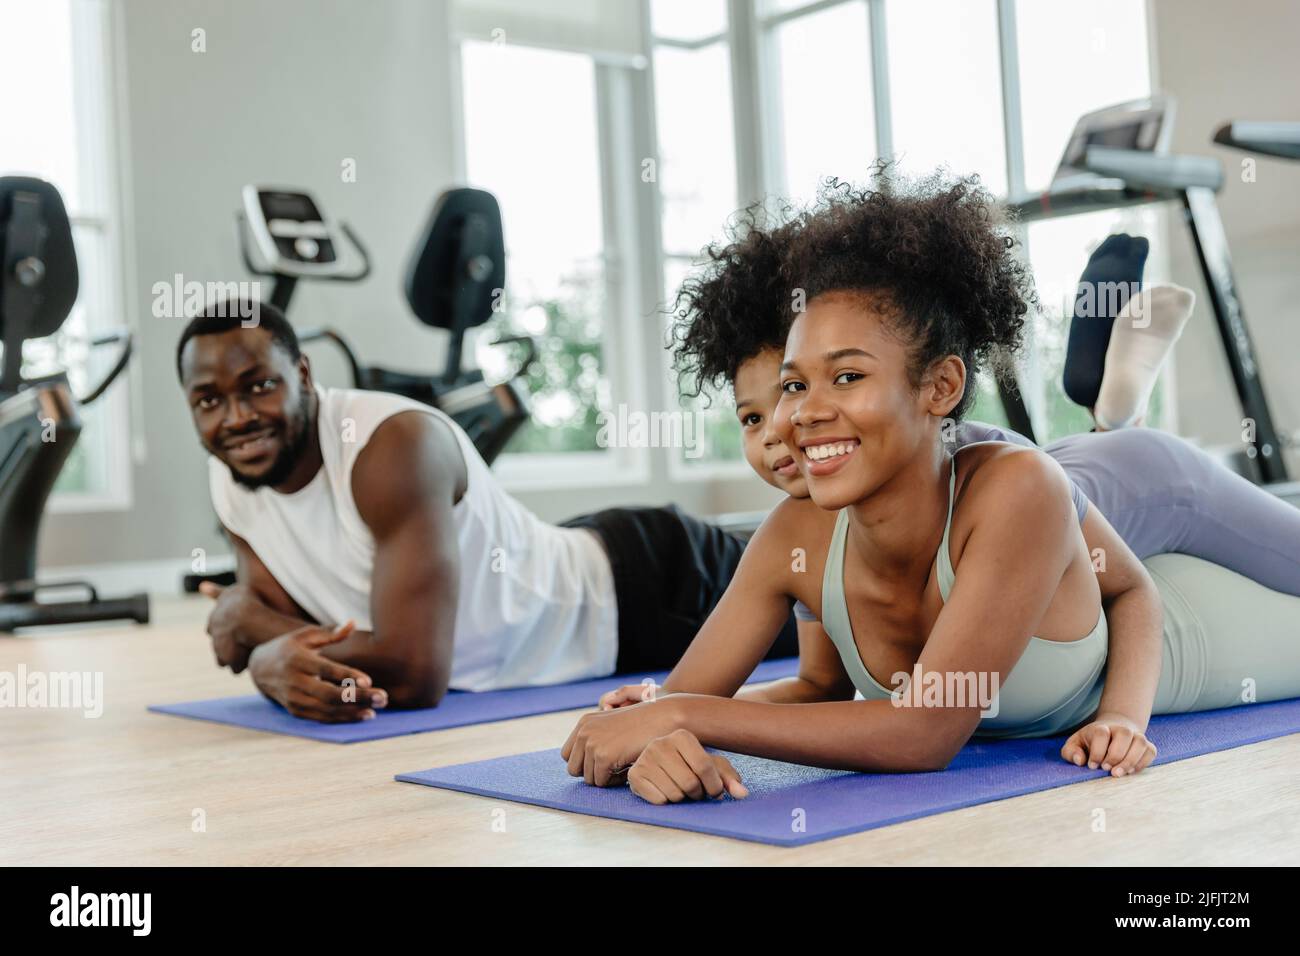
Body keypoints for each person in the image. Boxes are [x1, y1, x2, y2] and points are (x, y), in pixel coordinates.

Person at [562, 172, 1300, 803]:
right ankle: (1113, 411)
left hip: (1184, 548)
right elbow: (686, 706)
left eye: (846, 375)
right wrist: (664, 736)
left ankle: (1119, 419)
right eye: (793, 384)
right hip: (1048, 515)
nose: (801, 413)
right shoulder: (797, 532)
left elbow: (922, 732)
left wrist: (1124, 718)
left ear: (942, 385)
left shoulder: (1017, 489)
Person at [176, 301, 798, 723]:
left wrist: (251, 632)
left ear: (303, 374)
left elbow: (415, 674)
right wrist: (263, 639)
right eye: (209, 400)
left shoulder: (392, 445)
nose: (236, 418)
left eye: (259, 386)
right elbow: (294, 627)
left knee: (849, 605)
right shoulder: (229, 476)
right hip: (570, 569)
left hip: (650, 588)